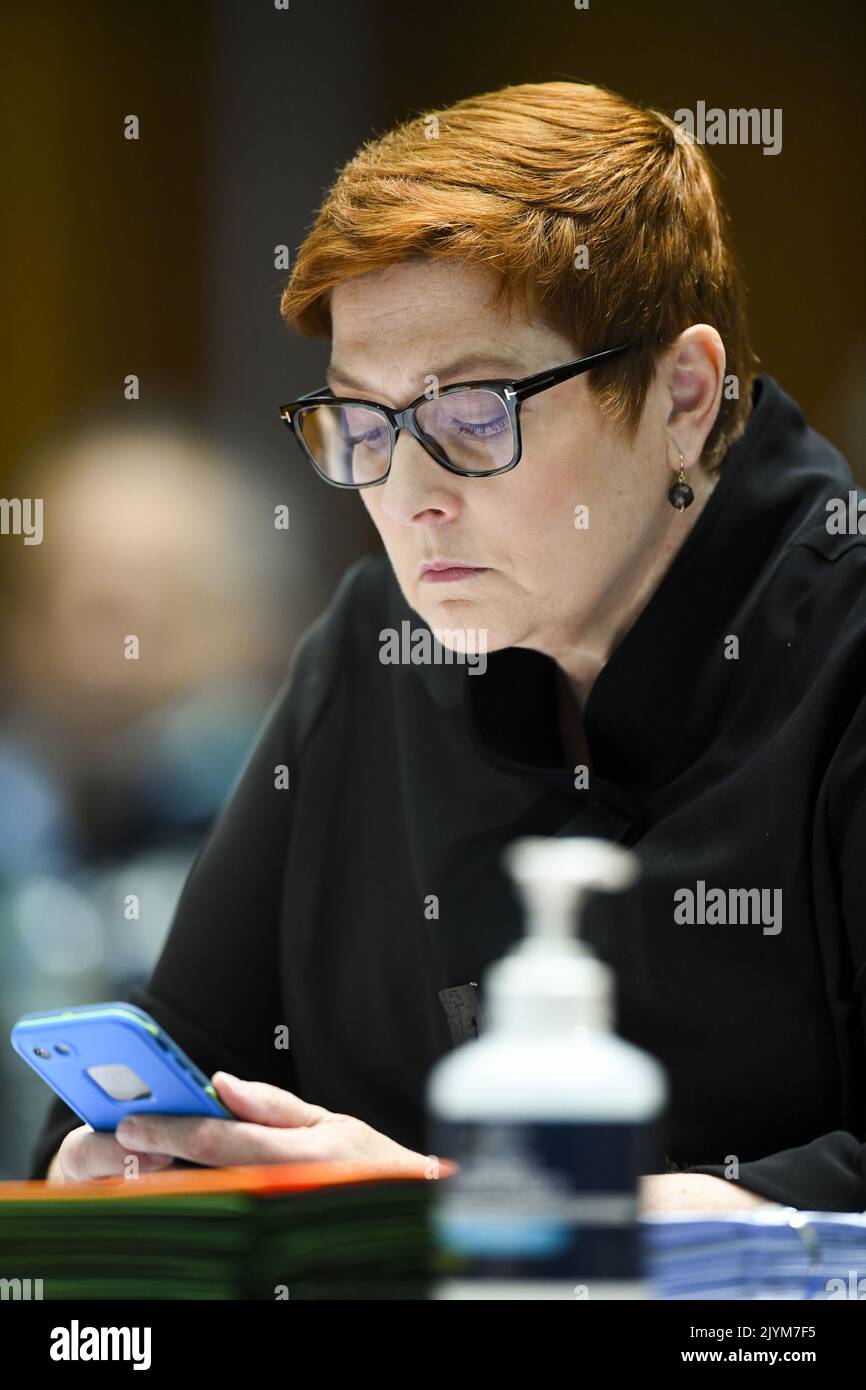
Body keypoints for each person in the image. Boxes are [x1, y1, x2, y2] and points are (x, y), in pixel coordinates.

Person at [30, 81, 866, 1213]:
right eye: (362, 425)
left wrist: (445, 1212)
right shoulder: (377, 642)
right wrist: (112, 1159)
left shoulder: (842, 645)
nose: (408, 496)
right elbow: (186, 1045)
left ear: (681, 394)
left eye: (473, 413)